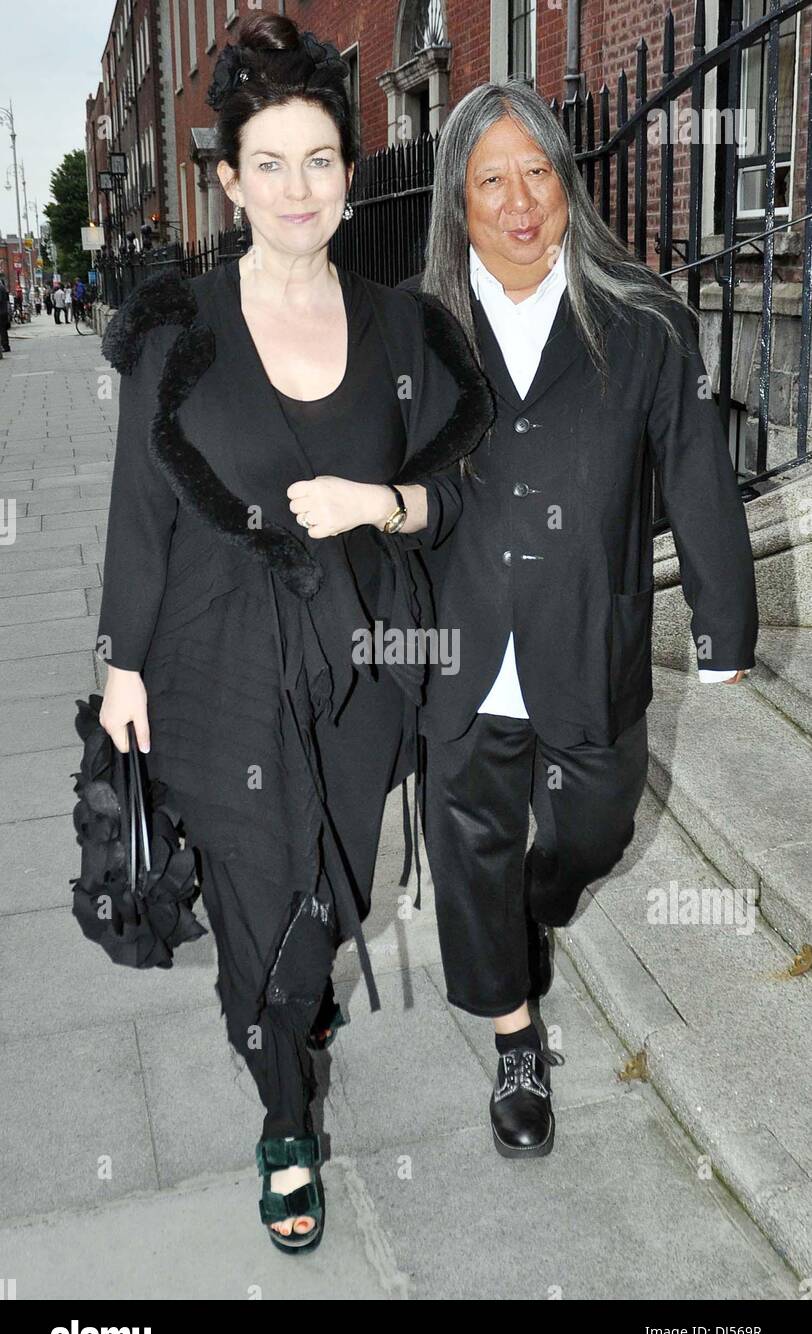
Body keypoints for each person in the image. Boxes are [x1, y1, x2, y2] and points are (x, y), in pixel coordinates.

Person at [95, 11, 492, 1254]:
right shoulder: (180, 329)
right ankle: (283, 1125)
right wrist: (119, 662)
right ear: (229, 180)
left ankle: (295, 1001)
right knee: (258, 893)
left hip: (364, 660)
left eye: (319, 158)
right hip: (212, 659)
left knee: (332, 884)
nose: (296, 186)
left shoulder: (403, 327)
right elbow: (141, 505)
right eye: (268, 162)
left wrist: (380, 498)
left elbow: (447, 492)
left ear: (350, 167)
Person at [392, 83, 758, 1160]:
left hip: (585, 646)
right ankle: (512, 1038)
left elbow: (693, 478)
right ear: (458, 203)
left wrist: (720, 631)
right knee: (468, 848)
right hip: (460, 651)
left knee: (591, 830)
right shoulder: (415, 329)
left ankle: (530, 910)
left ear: (566, 182)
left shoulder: (641, 318)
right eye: (489, 179)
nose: (517, 202)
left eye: (536, 173)